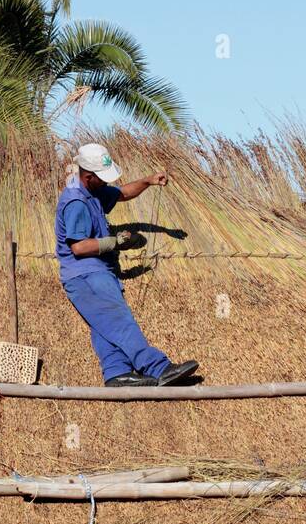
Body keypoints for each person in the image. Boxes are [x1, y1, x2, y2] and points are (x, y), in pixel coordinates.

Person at [56, 144, 200, 388]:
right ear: (89, 177)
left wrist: (148, 181)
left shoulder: (92, 189)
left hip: (95, 273)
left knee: (105, 325)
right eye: (102, 178)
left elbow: (121, 193)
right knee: (120, 320)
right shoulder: (77, 201)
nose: (106, 183)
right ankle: (157, 367)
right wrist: (115, 242)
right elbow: (78, 247)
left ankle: (116, 373)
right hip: (86, 275)